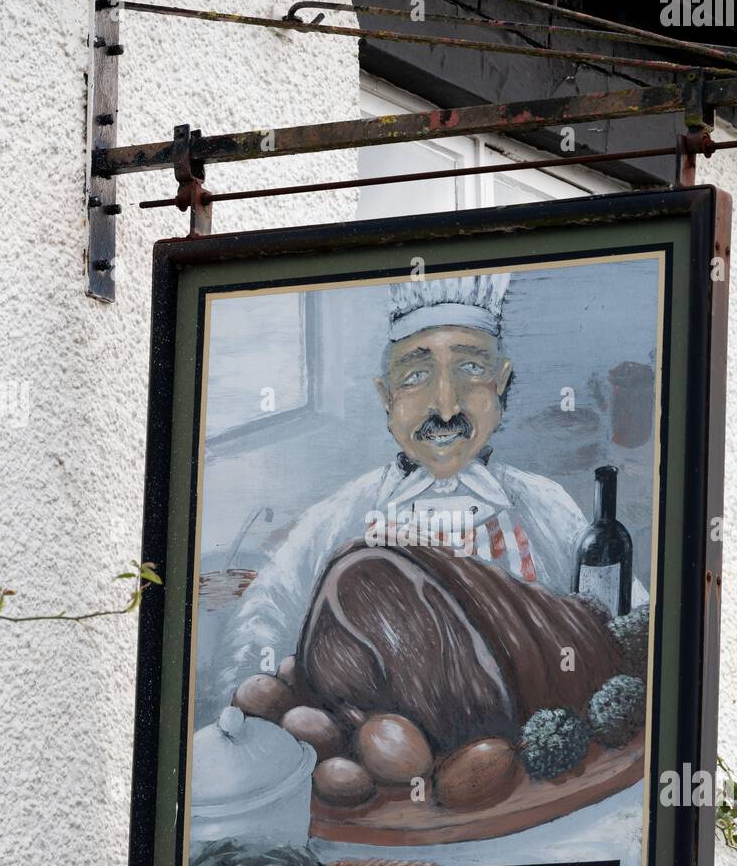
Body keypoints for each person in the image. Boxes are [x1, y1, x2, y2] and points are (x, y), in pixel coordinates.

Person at [215, 272, 644, 698]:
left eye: (471, 368)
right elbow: (256, 636)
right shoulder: (336, 520)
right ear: (387, 399)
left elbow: (633, 628)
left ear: (502, 385)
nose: (445, 405)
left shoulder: (543, 504)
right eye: (416, 375)